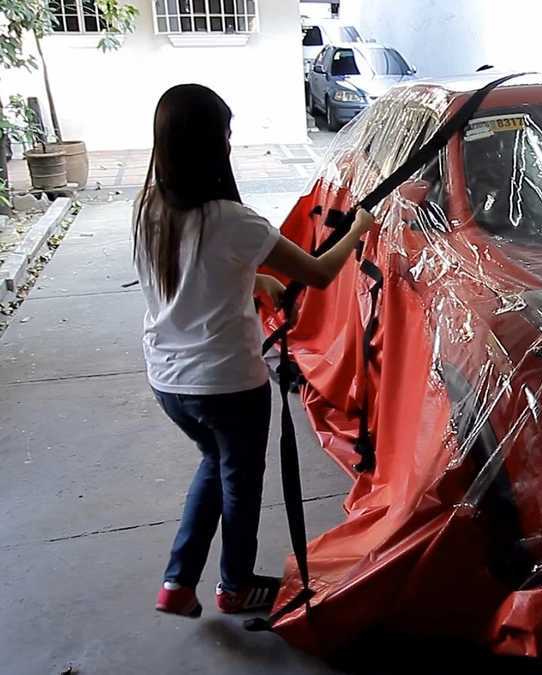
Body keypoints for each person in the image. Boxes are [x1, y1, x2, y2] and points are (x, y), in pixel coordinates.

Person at [133, 83, 373, 618]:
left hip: (169, 381)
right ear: (210, 145)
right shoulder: (233, 221)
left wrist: (254, 285)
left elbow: (192, 277)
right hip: (227, 384)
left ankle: (177, 582)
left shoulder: (148, 207)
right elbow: (317, 272)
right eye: (226, 133)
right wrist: (357, 226)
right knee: (240, 483)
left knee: (214, 464)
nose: (231, 143)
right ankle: (234, 584)